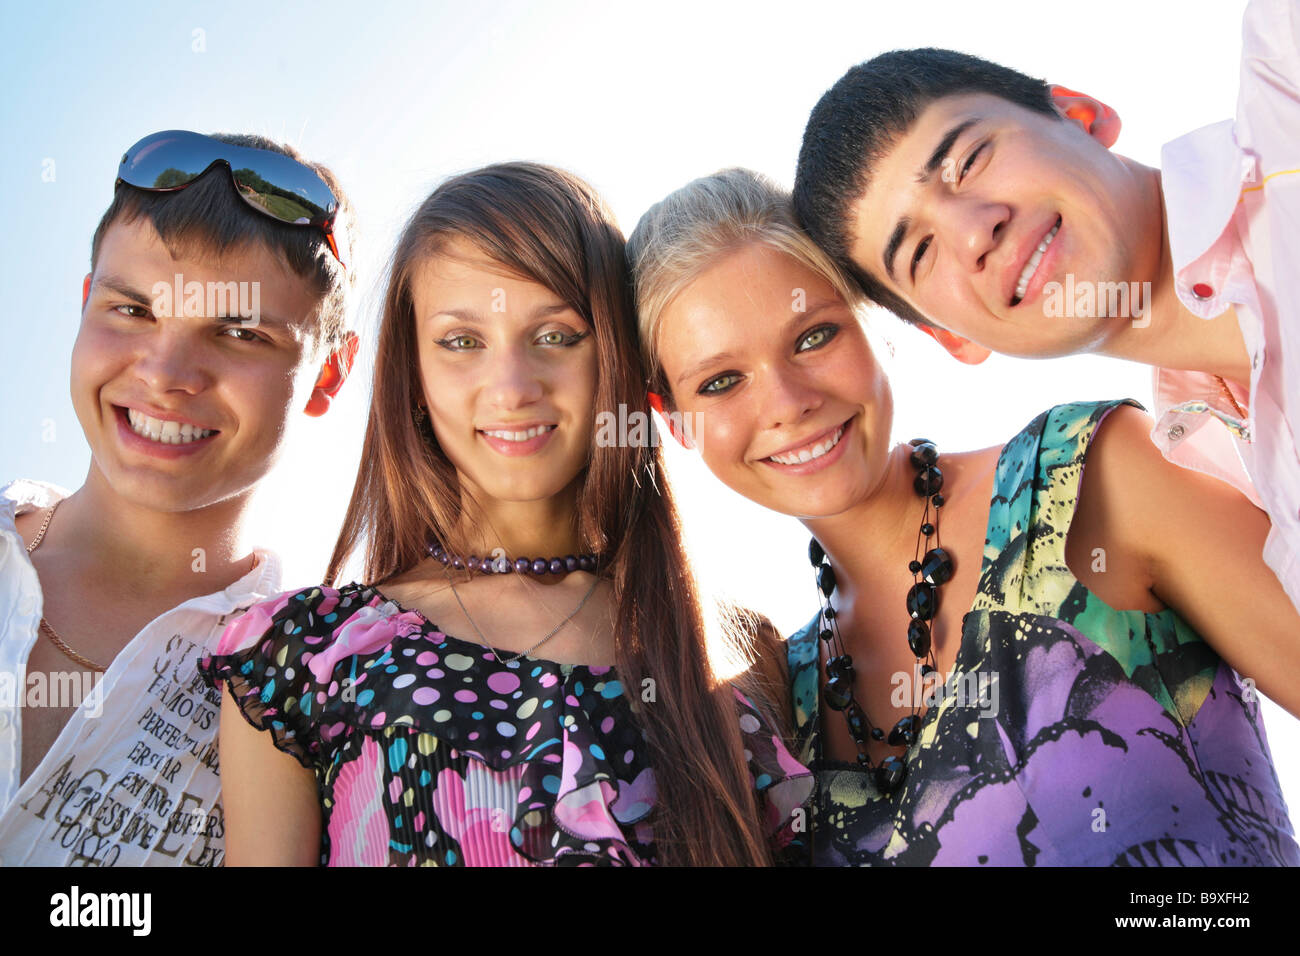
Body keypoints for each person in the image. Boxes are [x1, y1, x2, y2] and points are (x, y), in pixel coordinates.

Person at [627, 166, 1300, 866]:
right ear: (674, 423)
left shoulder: (1089, 477)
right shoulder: (770, 713)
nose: (786, 402)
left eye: (812, 337)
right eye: (721, 381)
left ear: (873, 319)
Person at [200, 162, 810, 867]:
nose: (513, 388)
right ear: (415, 376)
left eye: (556, 335)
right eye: (461, 342)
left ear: (615, 355)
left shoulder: (737, 651)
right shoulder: (306, 655)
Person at [791, 0, 1300, 614]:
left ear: (1079, 113)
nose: (976, 233)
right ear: (951, 338)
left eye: (971, 160)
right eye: (921, 252)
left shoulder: (1286, 65)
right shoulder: (1234, 489)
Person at [0, 130, 358, 866]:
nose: (166, 373)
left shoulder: (321, 697)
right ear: (84, 301)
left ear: (329, 373)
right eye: (132, 311)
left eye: (238, 332)